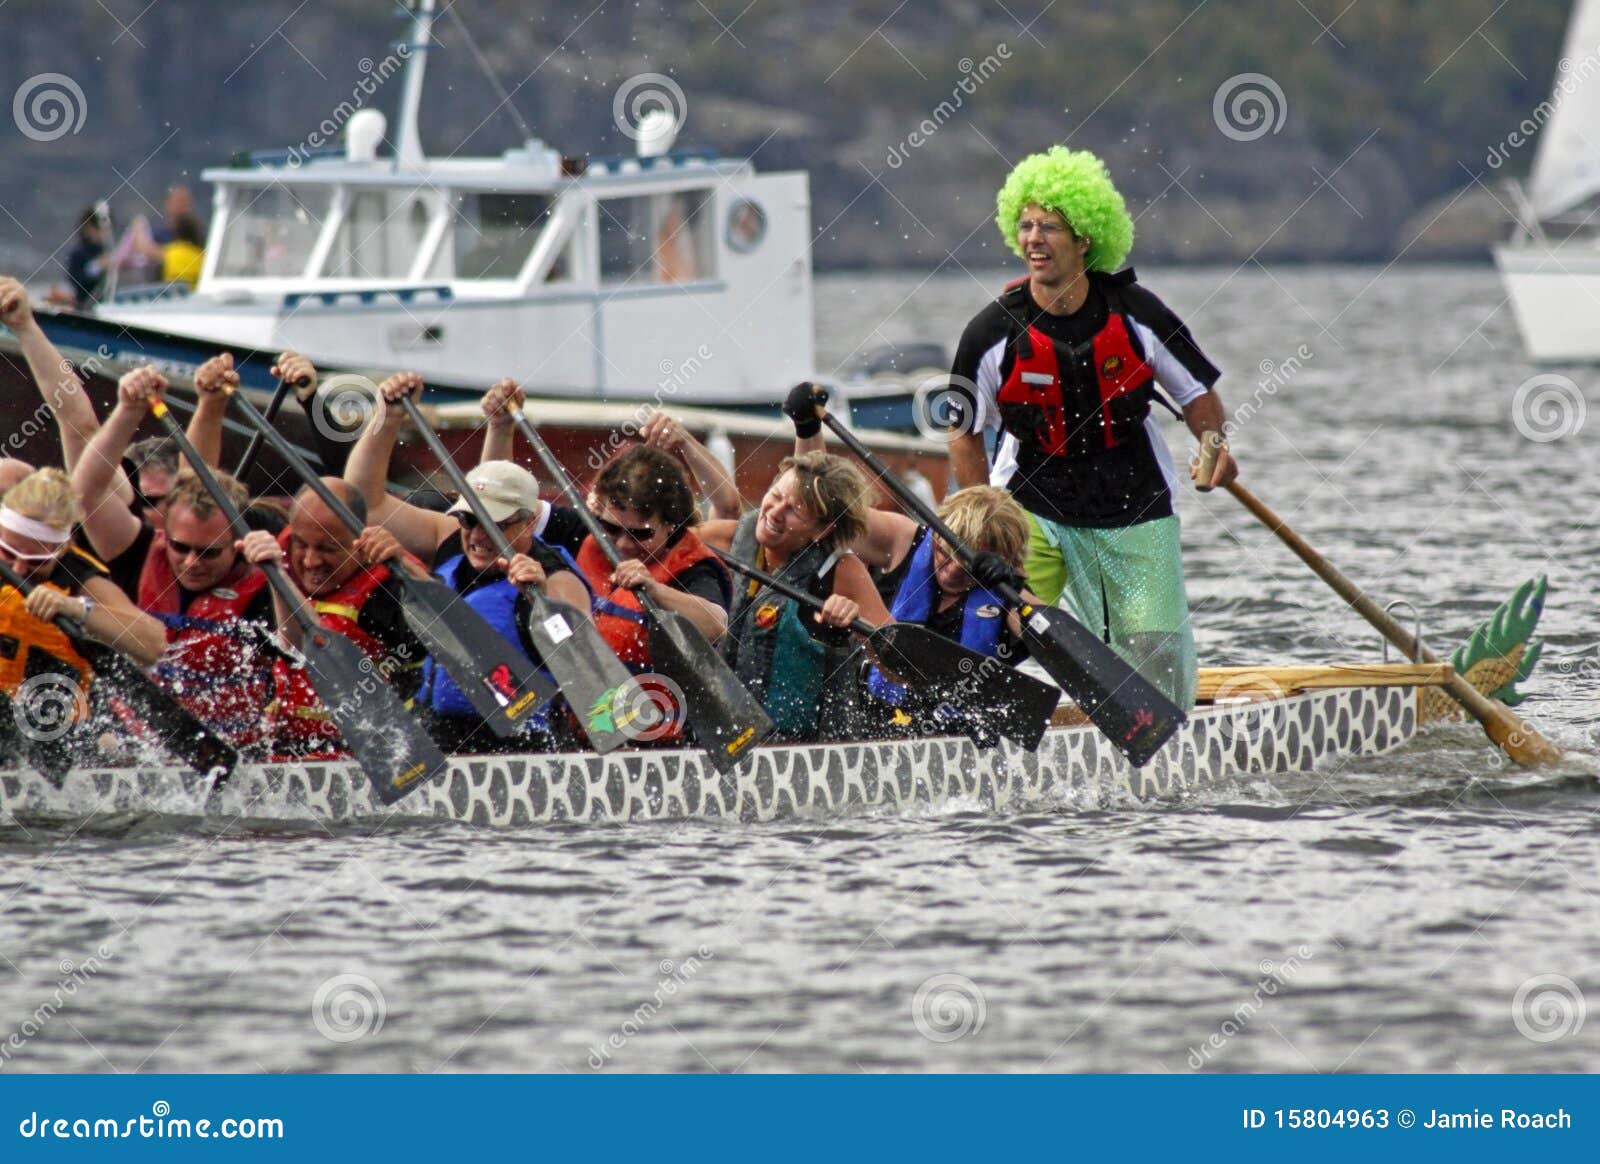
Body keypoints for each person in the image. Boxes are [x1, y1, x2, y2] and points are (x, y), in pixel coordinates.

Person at [945, 146, 1238, 710]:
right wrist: (980, 511)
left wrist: (1214, 445)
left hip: (1135, 503)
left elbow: (1198, 395)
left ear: (1085, 240)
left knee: (1154, 648)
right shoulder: (991, 331)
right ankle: (970, 714)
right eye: (1025, 225)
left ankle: (1162, 728)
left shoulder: (1137, 313)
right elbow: (962, 429)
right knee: (1000, 622)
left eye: (1049, 226)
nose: (1033, 238)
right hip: (1035, 503)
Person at [346, 372, 599, 752]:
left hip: (523, 748)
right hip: (439, 735)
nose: (478, 535)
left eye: (496, 524)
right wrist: (388, 416)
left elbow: (586, 660)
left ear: (529, 521)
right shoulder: (449, 536)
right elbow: (364, 503)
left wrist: (544, 600)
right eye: (469, 520)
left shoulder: (557, 577)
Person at [701, 452, 889, 741]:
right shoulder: (728, 539)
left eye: (794, 511)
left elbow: (899, 666)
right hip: (731, 737)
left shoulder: (840, 571)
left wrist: (857, 623)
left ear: (823, 529)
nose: (775, 512)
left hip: (809, 750)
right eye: (775, 496)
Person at [236, 480, 425, 759]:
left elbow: (320, 656)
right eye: (302, 545)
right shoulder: (277, 562)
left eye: (328, 548)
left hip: (366, 758)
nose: (311, 561)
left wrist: (407, 566)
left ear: (359, 545)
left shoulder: (389, 594)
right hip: (280, 754)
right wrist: (274, 572)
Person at [0, 470, 167, 764]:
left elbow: (153, 645)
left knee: (107, 743)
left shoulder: (79, 575)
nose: (20, 569)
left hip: (57, 719)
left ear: (62, 547)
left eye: (37, 560)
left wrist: (76, 608)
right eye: (8, 553)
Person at [863, 486, 1033, 730]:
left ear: (1005, 558)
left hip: (958, 741)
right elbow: (825, 513)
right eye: (944, 552)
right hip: (873, 718)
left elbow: (1051, 638)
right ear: (937, 532)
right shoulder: (901, 540)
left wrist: (1013, 586)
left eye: (968, 566)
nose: (952, 570)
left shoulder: (1012, 598)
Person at [72, 357, 237, 598]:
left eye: (208, 552)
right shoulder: (140, 552)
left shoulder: (261, 561)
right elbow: (84, 495)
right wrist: (128, 411)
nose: (192, 563)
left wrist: (212, 404)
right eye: (179, 547)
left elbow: (199, 481)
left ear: (237, 546)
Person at [576, 445, 731, 695]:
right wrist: (500, 427)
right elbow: (517, 520)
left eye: (641, 534)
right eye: (613, 529)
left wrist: (654, 588)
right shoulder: (584, 532)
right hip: (588, 714)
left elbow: (716, 624)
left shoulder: (695, 568)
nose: (623, 544)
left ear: (670, 524)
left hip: (656, 718)